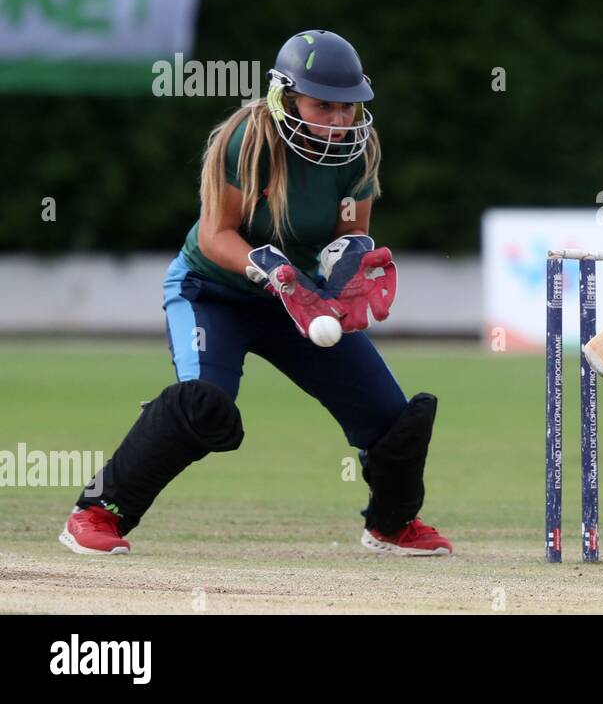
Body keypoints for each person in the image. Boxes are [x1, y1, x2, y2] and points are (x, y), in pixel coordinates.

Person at [59, 30, 452, 557]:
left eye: (348, 107)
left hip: (294, 299)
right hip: (212, 291)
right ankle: (99, 512)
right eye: (323, 106)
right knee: (203, 405)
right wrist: (266, 265)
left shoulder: (359, 149)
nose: (338, 121)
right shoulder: (249, 139)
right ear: (285, 97)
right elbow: (214, 235)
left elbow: (348, 235)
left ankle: (392, 525)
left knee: (391, 417)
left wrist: (348, 275)